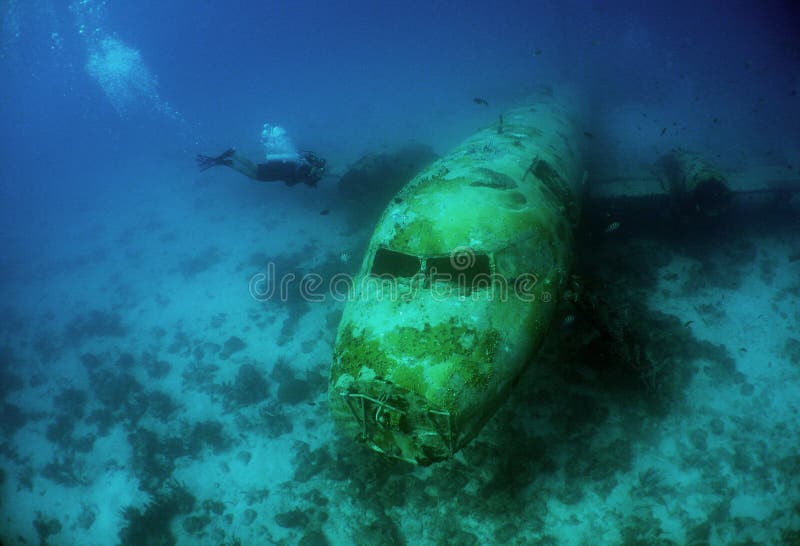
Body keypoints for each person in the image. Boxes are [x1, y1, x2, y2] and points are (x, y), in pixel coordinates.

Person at [196, 148, 327, 187]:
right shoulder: (305, 172)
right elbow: (289, 183)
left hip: (280, 168)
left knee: (254, 171)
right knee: (254, 171)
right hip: (278, 171)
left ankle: (231, 161)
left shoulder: (306, 168)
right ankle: (233, 156)